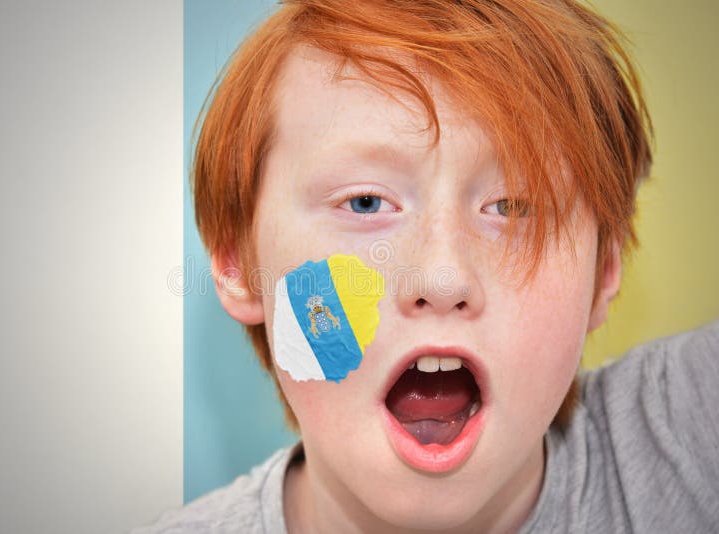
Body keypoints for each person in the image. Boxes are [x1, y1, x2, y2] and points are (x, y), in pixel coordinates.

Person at [139, 1, 719, 532]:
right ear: (239, 265)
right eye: (365, 202)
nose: (443, 281)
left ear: (603, 270)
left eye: (513, 206)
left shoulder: (690, 435)